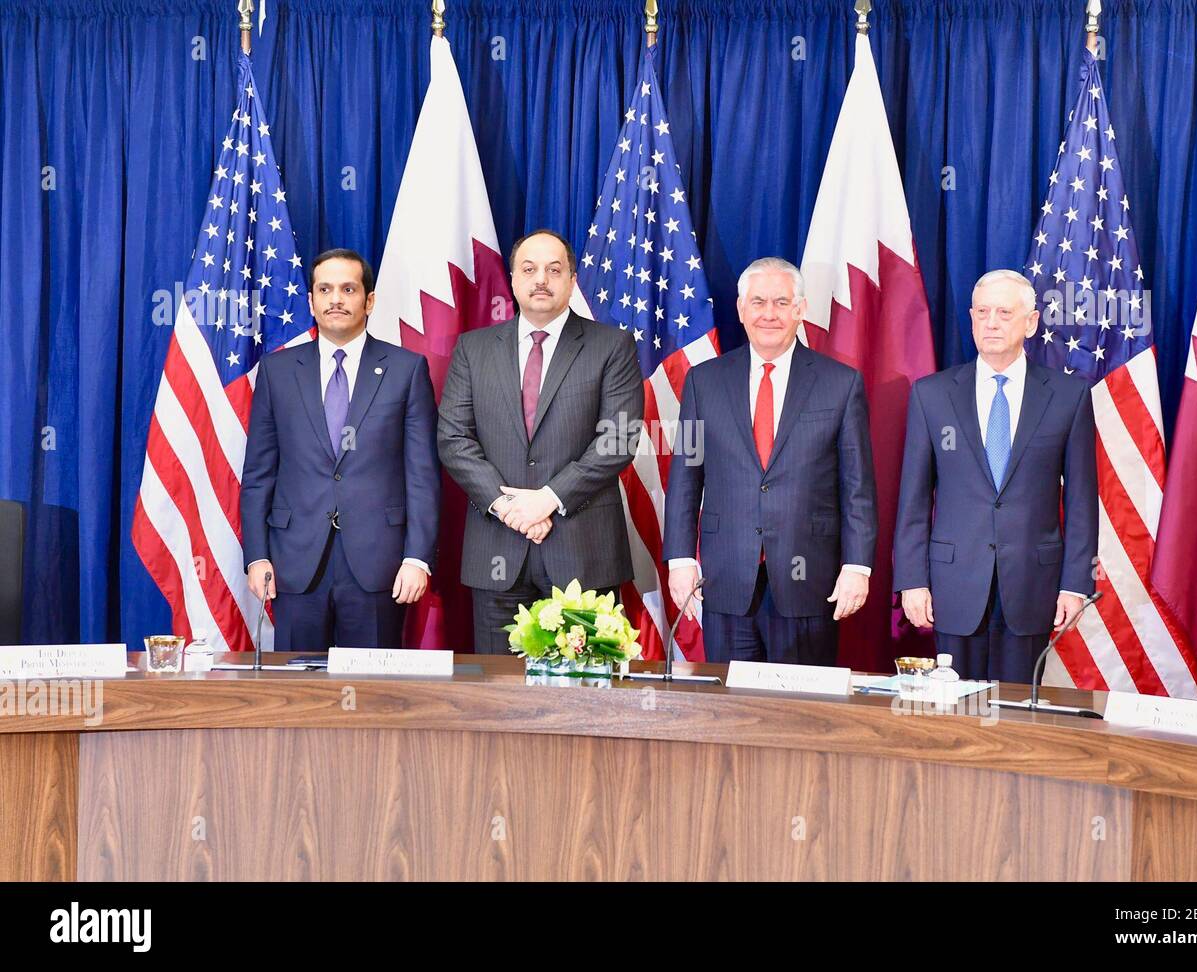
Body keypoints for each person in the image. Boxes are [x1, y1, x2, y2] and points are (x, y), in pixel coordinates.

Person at [663, 257, 877, 666]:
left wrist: (857, 566)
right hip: (726, 580)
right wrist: (681, 558)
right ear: (741, 309)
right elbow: (685, 478)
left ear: (800, 309)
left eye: (782, 302)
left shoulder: (840, 383)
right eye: (758, 302)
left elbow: (858, 488)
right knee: (728, 699)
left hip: (809, 580)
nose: (769, 314)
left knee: (802, 702)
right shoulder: (704, 381)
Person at [437, 229, 644, 653]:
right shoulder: (473, 349)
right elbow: (454, 439)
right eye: (529, 269)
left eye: (554, 270)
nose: (541, 280)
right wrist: (510, 508)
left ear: (572, 279)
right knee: (499, 688)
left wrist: (548, 499)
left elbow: (618, 439)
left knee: (582, 688)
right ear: (513, 279)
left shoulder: (612, 346)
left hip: (583, 552)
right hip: (497, 550)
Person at [894, 269, 1098, 683]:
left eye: (1004, 313)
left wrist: (1075, 585)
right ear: (971, 318)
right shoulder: (932, 394)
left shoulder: (1068, 396)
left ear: (1031, 322)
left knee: (1019, 709)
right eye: (982, 312)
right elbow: (913, 499)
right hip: (952, 585)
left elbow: (1081, 502)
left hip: (1033, 585)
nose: (991, 322)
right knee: (955, 709)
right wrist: (912, 580)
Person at [240, 248, 440, 651]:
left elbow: (422, 474)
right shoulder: (277, 372)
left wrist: (417, 557)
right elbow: (259, 474)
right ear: (311, 301)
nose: (336, 299)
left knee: (371, 687)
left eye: (348, 289)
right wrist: (257, 556)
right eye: (325, 289)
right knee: (296, 684)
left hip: (380, 564)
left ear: (369, 300)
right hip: (294, 562)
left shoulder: (406, 369)